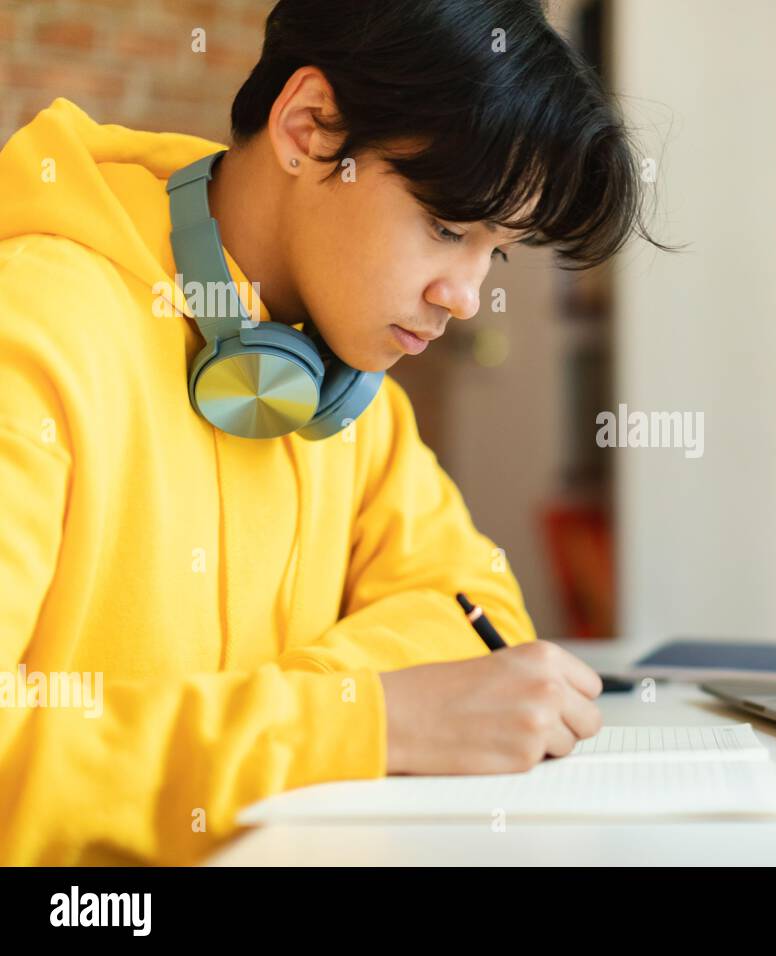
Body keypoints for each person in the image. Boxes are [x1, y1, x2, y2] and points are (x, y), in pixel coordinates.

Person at [0, 0, 665, 865]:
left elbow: (476, 614)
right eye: (445, 227)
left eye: (493, 252)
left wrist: (307, 714)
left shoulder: (343, 389)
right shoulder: (34, 330)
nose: (465, 298)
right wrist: (367, 721)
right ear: (309, 128)